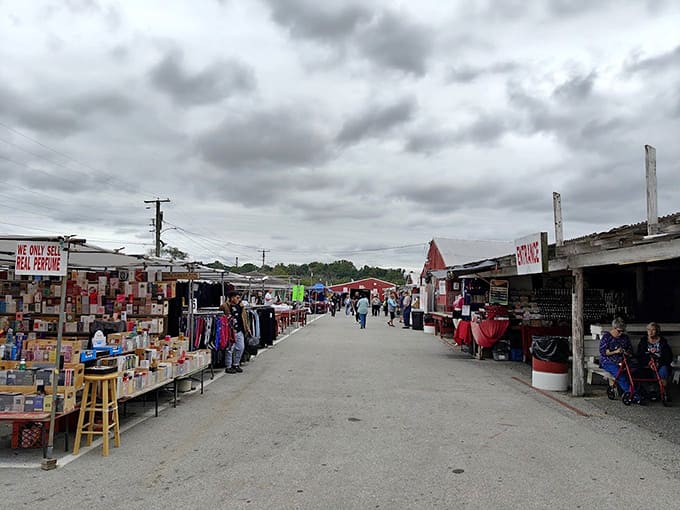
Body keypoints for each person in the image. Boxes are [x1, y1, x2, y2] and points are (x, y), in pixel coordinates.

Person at [599, 317, 643, 404]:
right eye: (619, 331)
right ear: (614, 328)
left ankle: (637, 391)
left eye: (623, 331)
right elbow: (603, 352)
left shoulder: (624, 338)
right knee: (620, 375)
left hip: (624, 361)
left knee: (635, 371)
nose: (621, 333)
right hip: (608, 361)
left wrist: (626, 352)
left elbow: (630, 351)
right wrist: (615, 351)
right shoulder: (606, 337)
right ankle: (634, 395)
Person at [637, 322, 673, 388]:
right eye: (649, 330)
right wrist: (649, 363)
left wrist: (658, 363)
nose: (650, 332)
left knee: (664, 369)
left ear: (657, 331)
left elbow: (668, 357)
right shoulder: (643, 342)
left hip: (660, 364)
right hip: (647, 364)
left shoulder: (663, 342)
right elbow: (640, 355)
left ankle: (662, 391)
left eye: (653, 330)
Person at [223, 291, 250, 374]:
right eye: (237, 298)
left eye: (239, 298)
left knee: (240, 347)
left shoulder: (241, 306)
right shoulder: (225, 306)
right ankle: (228, 366)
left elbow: (244, 318)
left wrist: (247, 328)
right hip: (230, 330)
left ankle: (236, 364)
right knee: (230, 349)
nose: (239, 299)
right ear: (232, 298)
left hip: (239, 330)